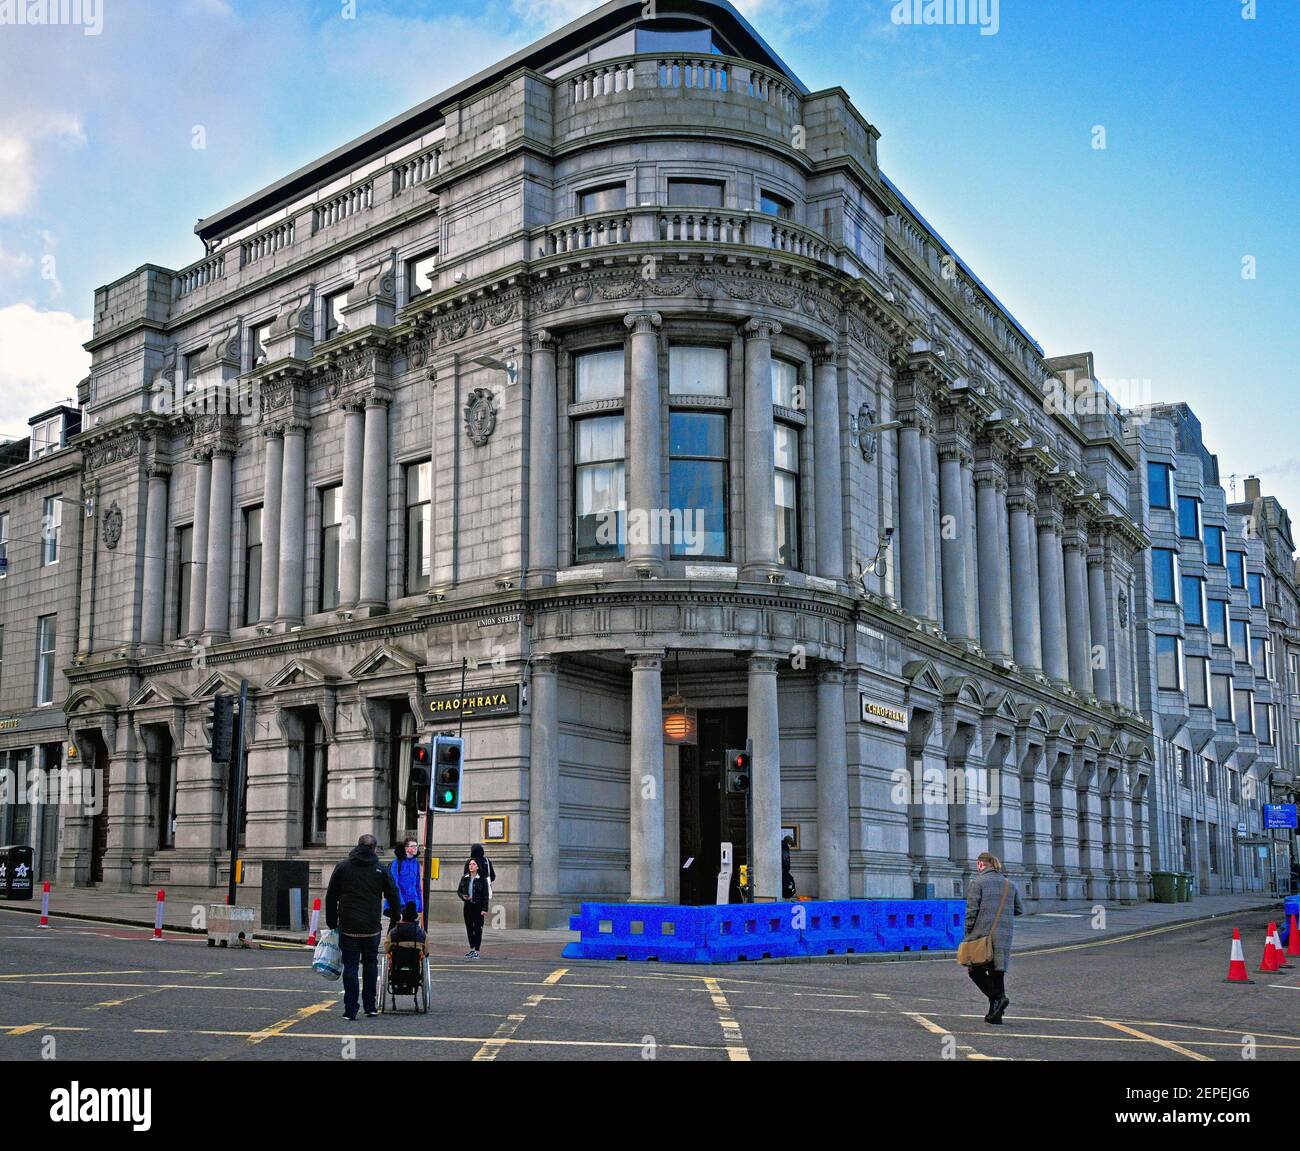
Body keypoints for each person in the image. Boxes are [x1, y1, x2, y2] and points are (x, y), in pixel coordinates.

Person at [325, 833, 401, 1021]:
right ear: (374, 849)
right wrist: (394, 918)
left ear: (357, 846)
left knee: (350, 966)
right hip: (371, 927)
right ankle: (370, 1006)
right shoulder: (380, 869)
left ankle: (351, 1010)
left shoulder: (343, 867)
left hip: (348, 925)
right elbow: (393, 894)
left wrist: (332, 922)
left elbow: (331, 896)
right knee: (370, 964)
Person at [961, 851, 1022, 1025]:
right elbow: (1019, 910)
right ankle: (995, 1013)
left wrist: (967, 933)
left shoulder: (977, 883)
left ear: (981, 864)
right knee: (997, 972)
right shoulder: (1009, 884)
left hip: (982, 935)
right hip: (1004, 935)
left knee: (975, 970)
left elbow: (971, 911)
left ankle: (998, 997)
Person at [458, 856, 490, 958]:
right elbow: (459, 891)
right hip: (468, 906)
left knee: (478, 928)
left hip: (478, 906)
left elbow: (486, 895)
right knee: (469, 928)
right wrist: (463, 896)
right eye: (470, 864)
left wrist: (485, 909)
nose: (471, 866)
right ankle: (472, 948)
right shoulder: (465, 877)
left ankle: (477, 950)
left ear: (477, 867)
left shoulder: (482, 879)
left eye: (473, 864)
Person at [385, 837, 423, 922]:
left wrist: (420, 905)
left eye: (416, 846)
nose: (415, 848)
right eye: (412, 846)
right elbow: (394, 884)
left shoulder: (416, 863)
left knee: (412, 931)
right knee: (395, 929)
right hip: (400, 903)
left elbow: (417, 885)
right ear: (406, 848)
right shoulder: (397, 863)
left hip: (413, 903)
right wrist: (400, 903)